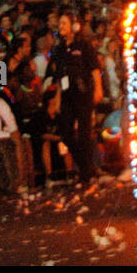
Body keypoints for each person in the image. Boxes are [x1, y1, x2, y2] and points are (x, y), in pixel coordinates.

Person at [48, 12, 104, 188]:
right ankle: (87, 167)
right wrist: (57, 99)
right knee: (65, 133)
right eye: (60, 23)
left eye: (64, 23)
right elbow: (58, 78)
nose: (61, 26)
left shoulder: (83, 45)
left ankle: (85, 175)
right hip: (66, 96)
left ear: (73, 26)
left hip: (83, 94)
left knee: (84, 133)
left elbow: (95, 70)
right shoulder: (58, 50)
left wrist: (98, 89)